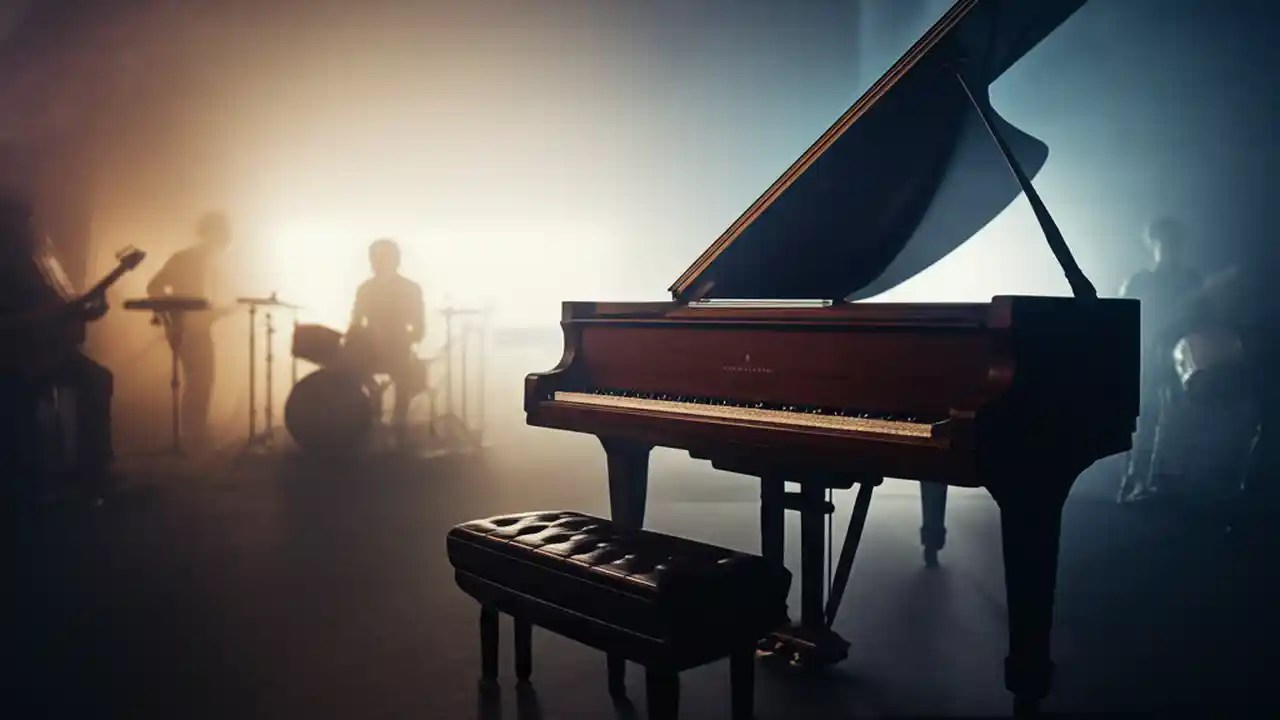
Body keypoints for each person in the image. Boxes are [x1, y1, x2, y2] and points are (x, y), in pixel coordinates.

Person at [0, 192, 115, 500]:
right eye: (18, 223)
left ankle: (93, 470)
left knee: (97, 378)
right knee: (19, 403)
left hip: (44, 352)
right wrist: (40, 317)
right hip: (12, 356)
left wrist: (90, 308)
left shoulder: (40, 264)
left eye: (27, 223)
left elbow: (64, 306)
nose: (26, 230)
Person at [1117, 217, 1204, 503]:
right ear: (1153, 244)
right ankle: (1137, 478)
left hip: (1179, 357)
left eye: (1174, 241)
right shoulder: (1141, 280)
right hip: (1148, 356)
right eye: (1165, 241)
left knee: (1174, 416)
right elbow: (1124, 320)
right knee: (1146, 417)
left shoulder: (1190, 280)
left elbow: (1200, 318)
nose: (1170, 247)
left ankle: (1158, 479)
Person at [146, 211, 231, 449]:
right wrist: (171, 319)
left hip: (198, 327)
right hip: (184, 327)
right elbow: (154, 286)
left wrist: (216, 312)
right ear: (212, 233)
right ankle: (193, 435)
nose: (227, 239)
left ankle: (195, 433)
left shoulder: (209, 261)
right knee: (200, 380)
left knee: (202, 380)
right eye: (224, 232)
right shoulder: (184, 258)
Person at [347, 238, 425, 446]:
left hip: (398, 345)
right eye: (375, 257)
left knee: (404, 376)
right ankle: (371, 408)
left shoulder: (410, 288)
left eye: (383, 257)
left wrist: (408, 339)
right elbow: (356, 321)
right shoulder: (365, 288)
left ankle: (398, 423)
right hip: (369, 346)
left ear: (395, 260)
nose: (378, 261)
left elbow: (418, 325)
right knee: (347, 364)